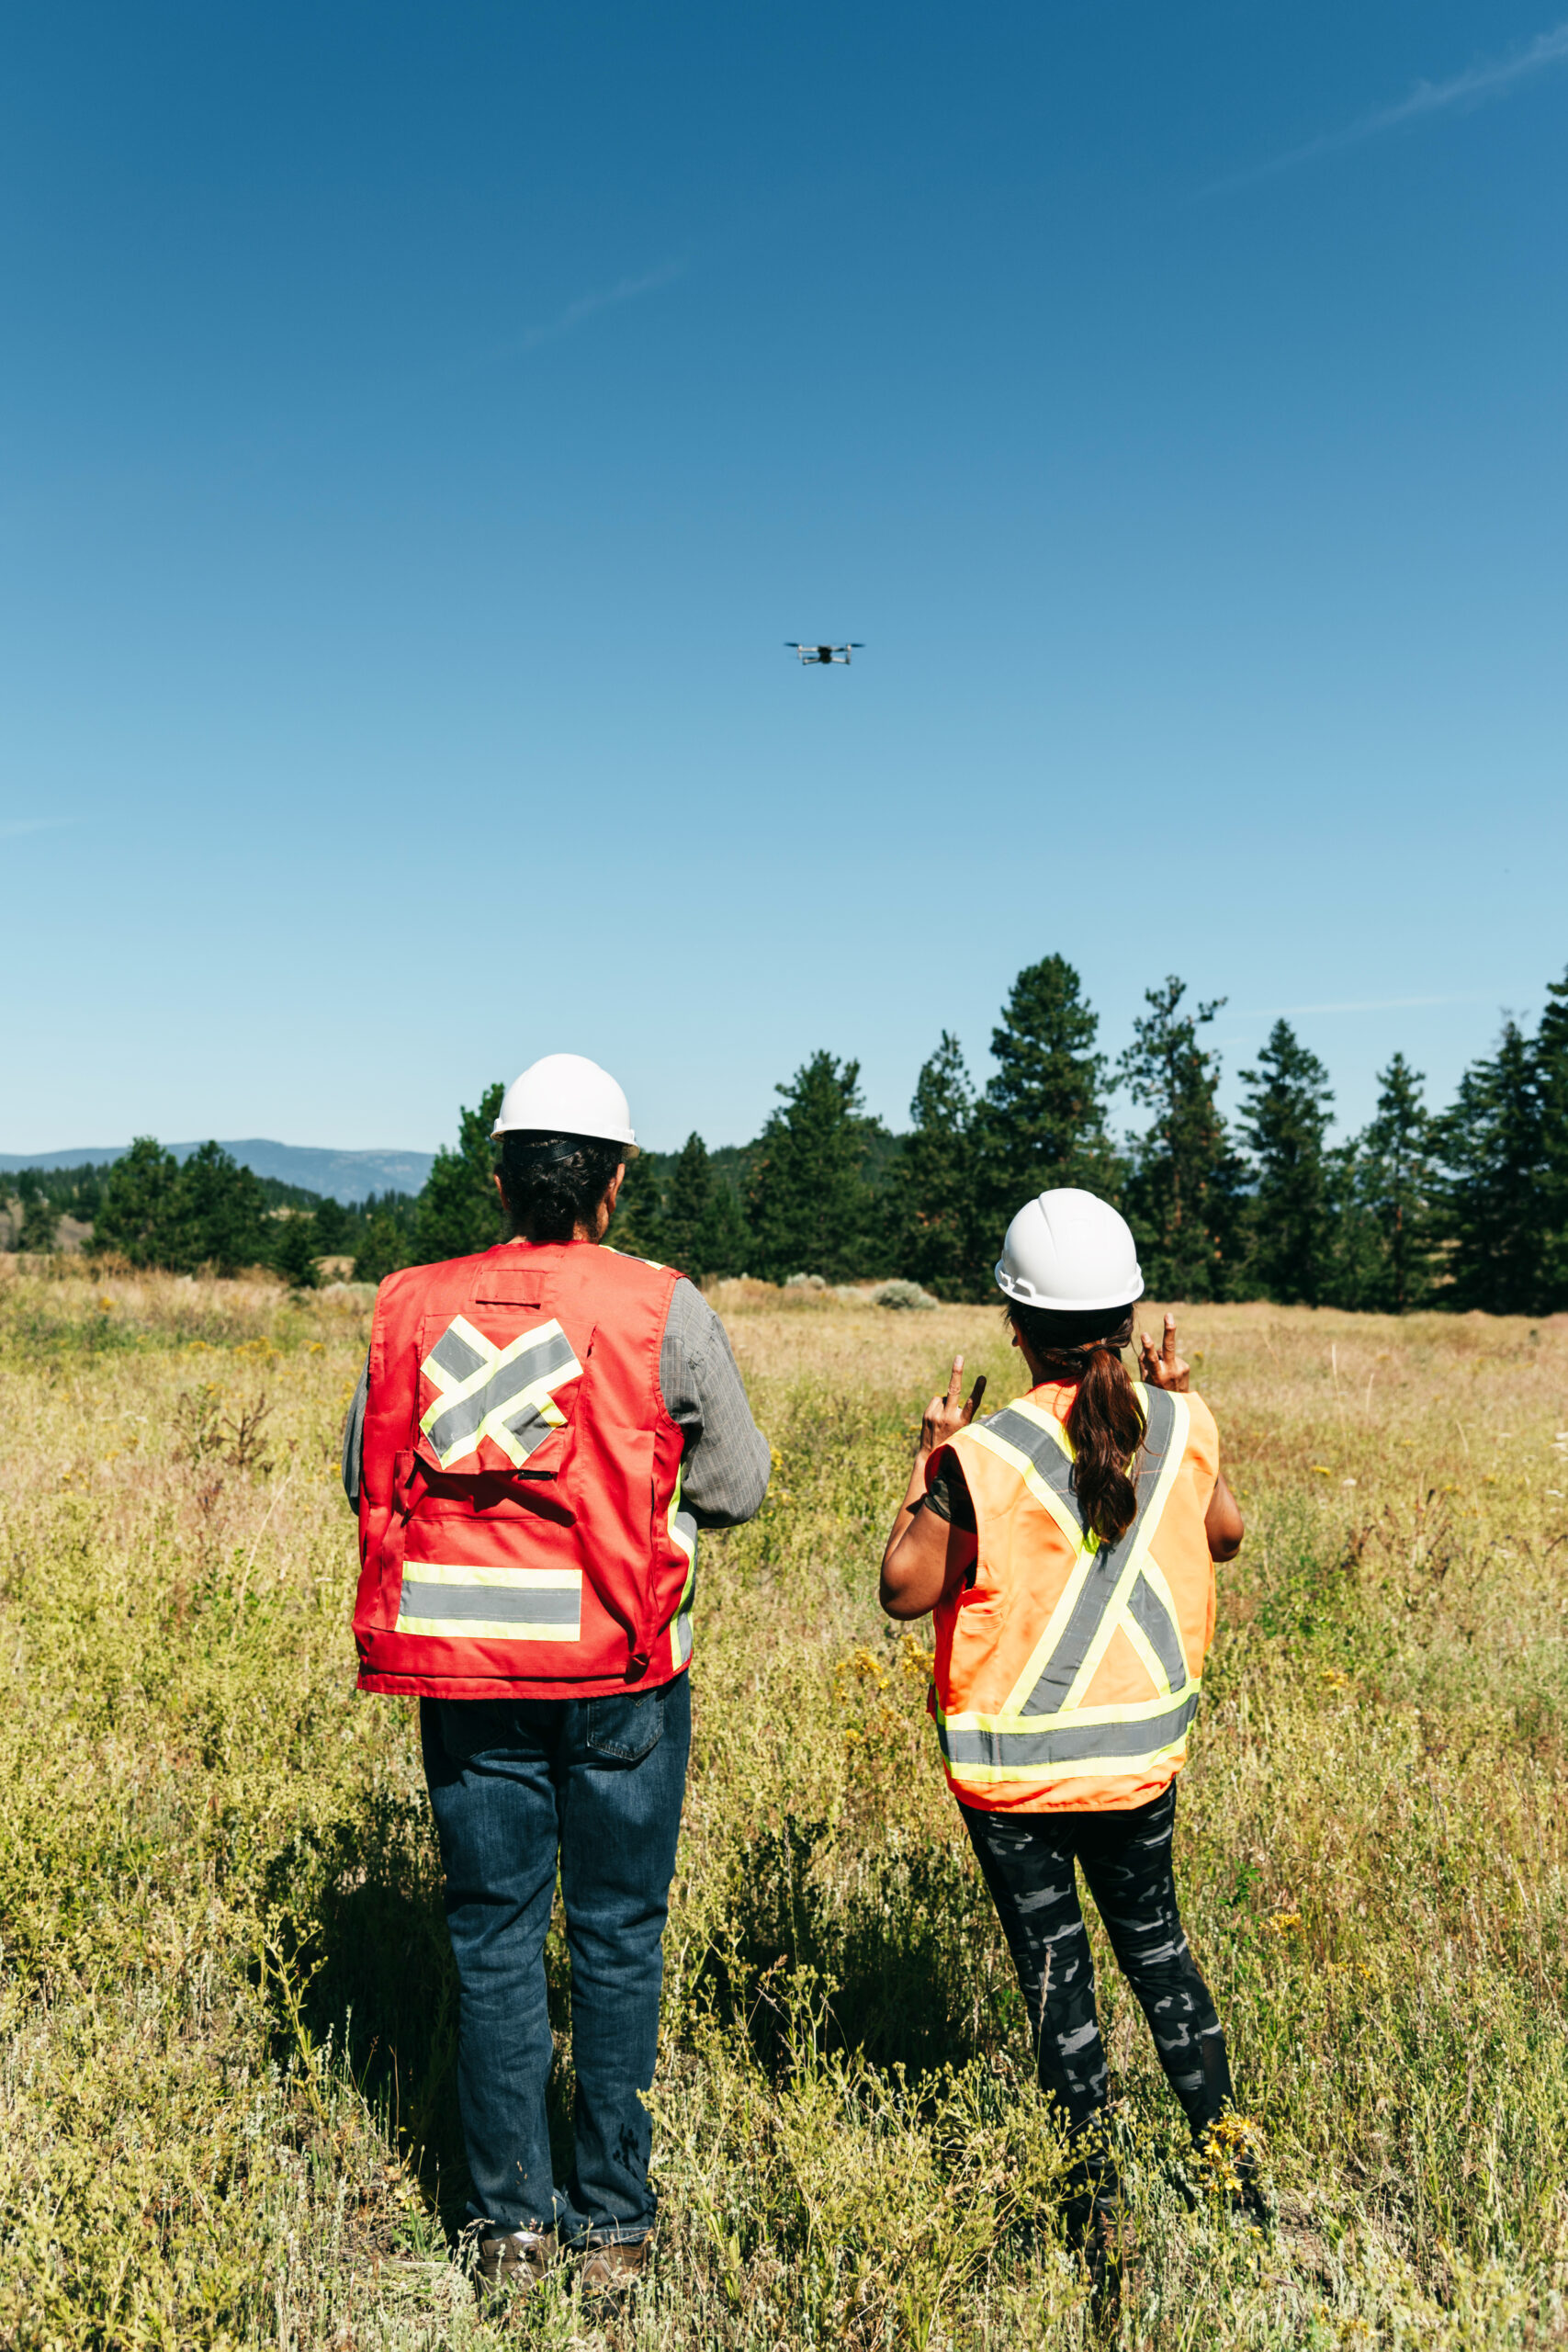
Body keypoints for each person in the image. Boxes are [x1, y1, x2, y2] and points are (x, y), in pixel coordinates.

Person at [342, 1053, 771, 2312]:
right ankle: (614, 2232)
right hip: (618, 1673)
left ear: (499, 1172)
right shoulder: (660, 1308)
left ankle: (507, 2233)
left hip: (462, 1675)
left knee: (489, 1941)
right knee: (617, 1940)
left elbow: (362, 1475)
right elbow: (735, 1488)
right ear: (615, 1181)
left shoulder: (411, 1307)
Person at [879, 1186, 1252, 2282]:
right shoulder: (1182, 1424)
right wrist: (1183, 1401)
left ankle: (1095, 2225)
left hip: (1016, 1784)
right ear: (1135, 1318)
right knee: (1163, 1958)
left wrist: (926, 1454)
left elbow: (906, 1588)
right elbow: (1223, 1536)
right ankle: (1235, 2181)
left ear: (1013, 1323)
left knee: (1059, 1988)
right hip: (1142, 1764)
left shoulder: (980, 1458)